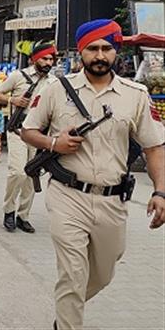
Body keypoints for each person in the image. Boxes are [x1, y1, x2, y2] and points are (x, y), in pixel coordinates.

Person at [21, 19, 165, 330]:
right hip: (67, 194)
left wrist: (159, 191)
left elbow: (154, 147)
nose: (99, 55)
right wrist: (53, 142)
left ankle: (65, 310)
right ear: (80, 52)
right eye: (92, 49)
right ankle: (68, 323)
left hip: (112, 199)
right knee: (72, 273)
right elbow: (27, 129)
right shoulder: (56, 90)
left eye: (106, 49)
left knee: (104, 272)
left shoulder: (136, 94)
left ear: (116, 52)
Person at [0, 42, 58, 233]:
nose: (48, 62)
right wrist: (13, 100)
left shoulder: (54, 82)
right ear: (33, 59)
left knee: (31, 175)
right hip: (18, 131)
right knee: (17, 173)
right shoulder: (18, 76)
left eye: (51, 59)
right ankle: (9, 211)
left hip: (39, 134)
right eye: (44, 58)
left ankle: (23, 216)